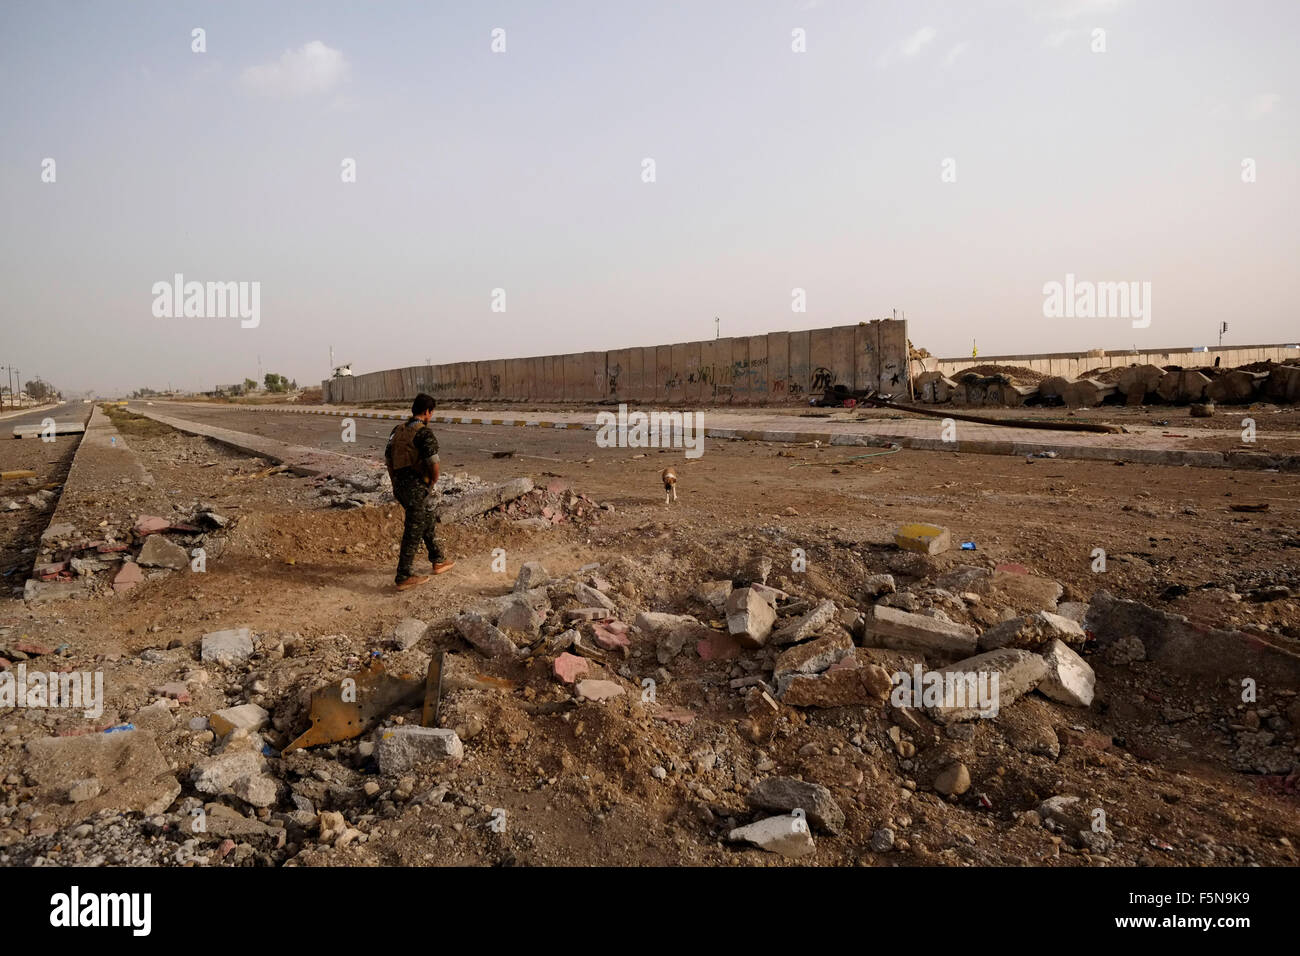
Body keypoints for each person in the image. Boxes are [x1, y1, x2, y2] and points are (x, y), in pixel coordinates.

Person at [385, 393, 454, 590]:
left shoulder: (397, 431)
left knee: (427, 518)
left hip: (400, 485)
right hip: (416, 487)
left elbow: (388, 460)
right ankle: (403, 575)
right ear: (427, 412)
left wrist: (395, 482)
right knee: (413, 529)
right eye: (431, 413)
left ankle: (438, 559)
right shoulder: (424, 433)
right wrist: (433, 481)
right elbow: (434, 463)